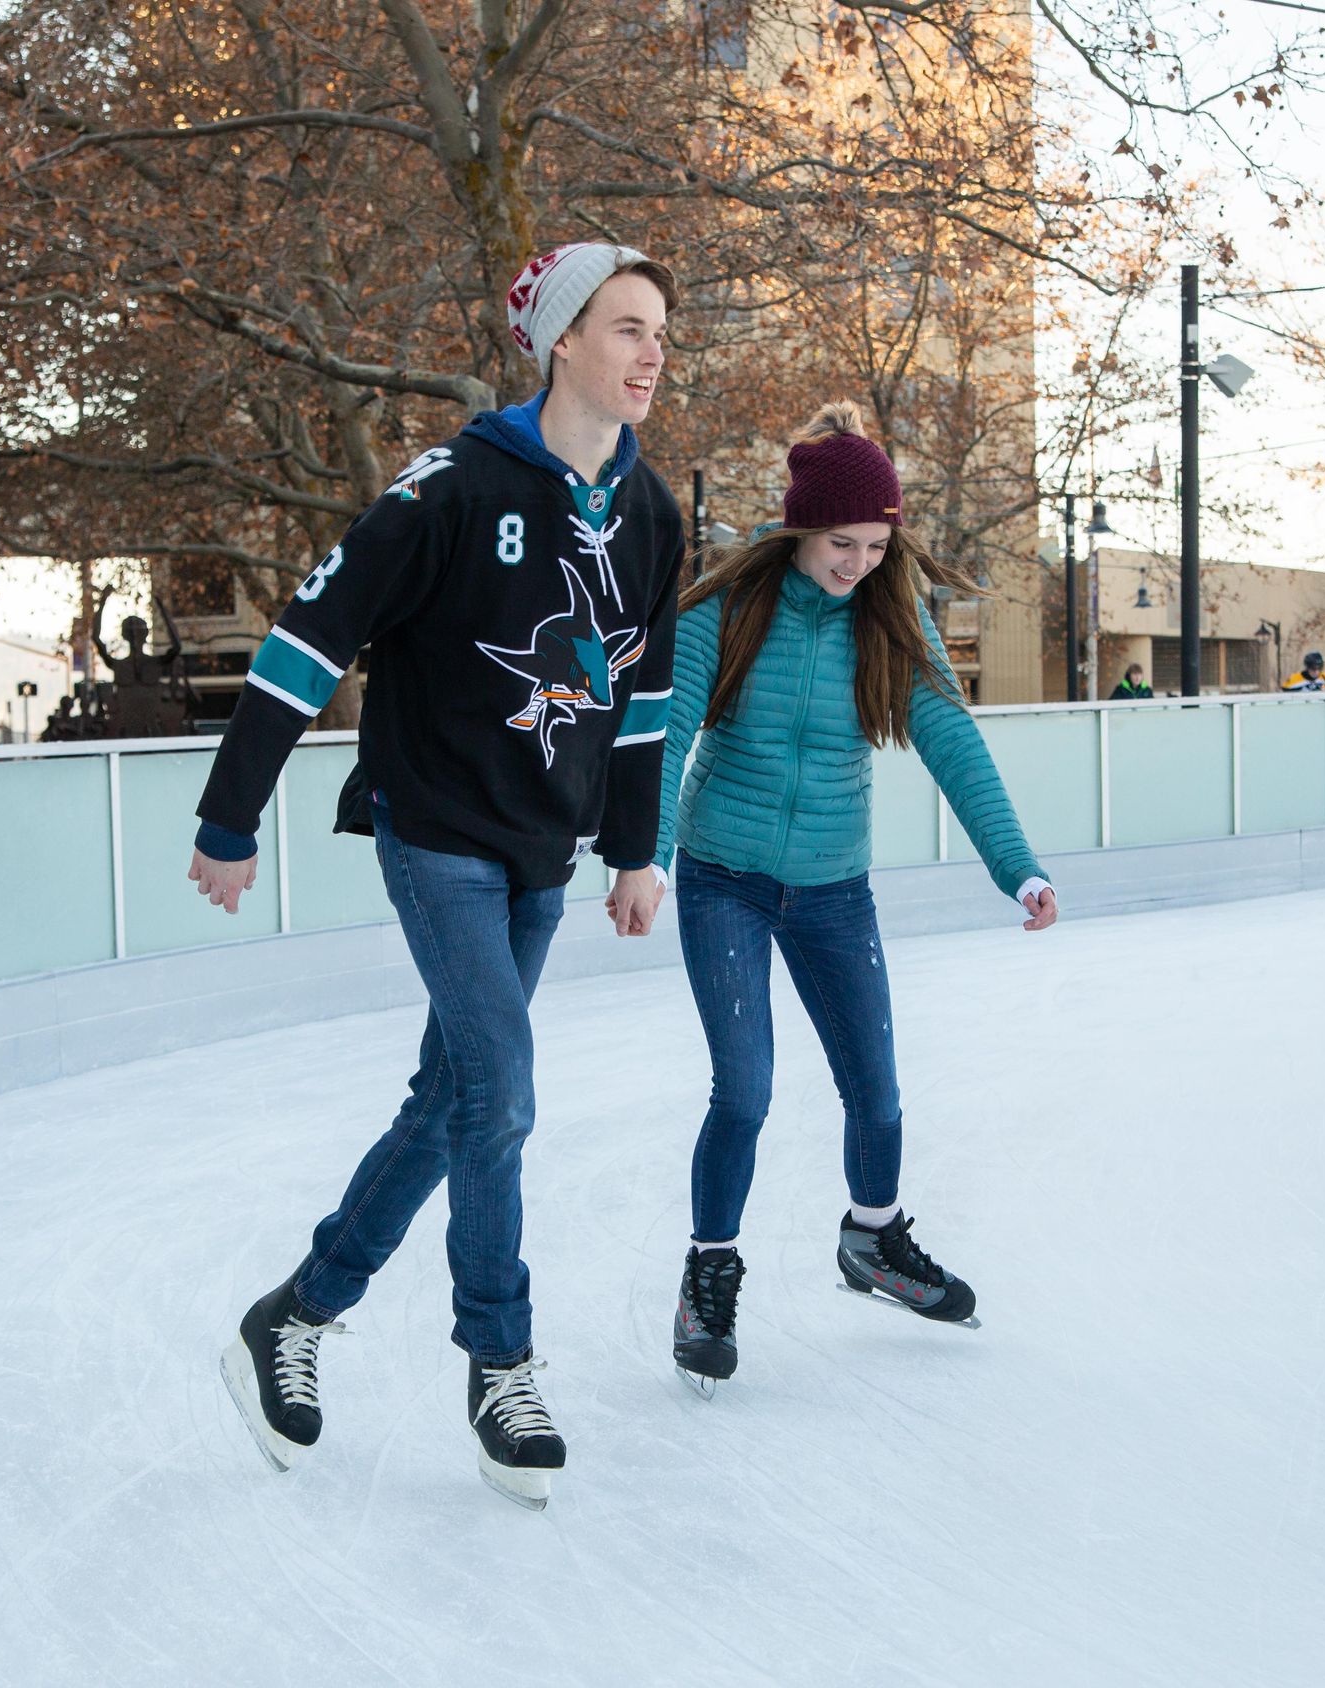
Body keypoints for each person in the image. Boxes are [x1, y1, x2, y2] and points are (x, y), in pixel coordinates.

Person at [190, 243, 686, 1509]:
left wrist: (637, 848)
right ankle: (500, 1357)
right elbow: (308, 639)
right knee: (501, 1092)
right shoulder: (450, 488)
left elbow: (641, 701)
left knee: (450, 1094)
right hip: (436, 829)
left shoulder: (651, 513)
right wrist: (230, 816)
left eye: (659, 336)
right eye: (625, 328)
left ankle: (295, 1311)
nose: (648, 355)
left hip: (544, 845)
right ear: (562, 341)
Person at [653, 402, 1056, 1393]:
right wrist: (647, 854)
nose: (858, 562)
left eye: (877, 544)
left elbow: (952, 738)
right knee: (743, 1086)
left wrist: (1020, 864)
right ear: (798, 528)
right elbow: (662, 730)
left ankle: (872, 1241)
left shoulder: (888, 612)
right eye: (842, 542)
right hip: (724, 878)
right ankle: (708, 1269)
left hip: (834, 887)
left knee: (874, 1089)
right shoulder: (728, 605)